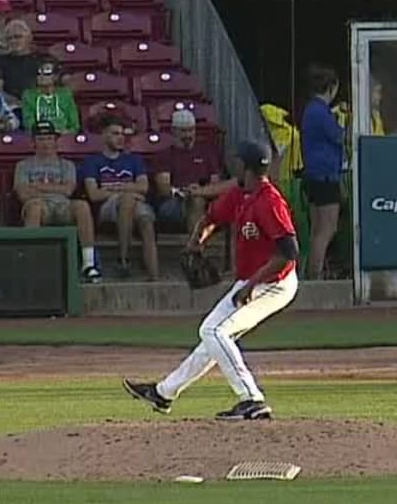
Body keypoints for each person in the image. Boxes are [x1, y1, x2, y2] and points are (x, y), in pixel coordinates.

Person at [123, 140, 300, 421]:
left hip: (275, 284)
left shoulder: (270, 201)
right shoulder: (239, 194)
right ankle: (164, 393)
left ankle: (251, 398)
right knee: (211, 339)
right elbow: (210, 219)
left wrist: (251, 286)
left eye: (238, 162)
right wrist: (196, 243)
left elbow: (289, 253)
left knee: (215, 332)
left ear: (247, 167)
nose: (234, 166)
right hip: (250, 281)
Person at [15, 121, 100, 281]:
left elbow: (68, 190)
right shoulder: (23, 166)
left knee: (82, 206)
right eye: (41, 139)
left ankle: (89, 263)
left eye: (49, 138)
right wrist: (56, 187)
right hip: (39, 205)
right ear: (33, 142)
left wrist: (37, 186)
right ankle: (32, 262)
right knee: (34, 207)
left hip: (63, 206)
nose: (46, 143)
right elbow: (23, 193)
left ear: (55, 141)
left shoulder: (67, 165)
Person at [80, 115, 160, 280]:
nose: (121, 138)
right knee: (128, 200)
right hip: (106, 208)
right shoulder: (92, 161)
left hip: (133, 203)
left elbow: (144, 187)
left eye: (123, 134)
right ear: (104, 136)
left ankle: (154, 275)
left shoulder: (134, 160)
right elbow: (94, 194)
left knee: (146, 221)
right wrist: (128, 190)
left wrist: (113, 187)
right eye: (115, 134)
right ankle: (124, 258)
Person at [298, 66, 344, 280]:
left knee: (317, 230)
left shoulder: (310, 110)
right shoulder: (321, 113)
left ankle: (312, 273)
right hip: (325, 176)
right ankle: (314, 277)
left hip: (313, 176)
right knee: (327, 229)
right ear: (331, 88)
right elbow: (339, 136)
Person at [152, 109, 227, 233]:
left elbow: (215, 182)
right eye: (183, 131)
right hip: (175, 200)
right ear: (173, 131)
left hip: (204, 196)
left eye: (191, 130)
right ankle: (196, 246)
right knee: (195, 201)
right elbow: (163, 187)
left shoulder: (207, 152)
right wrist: (183, 191)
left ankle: (194, 246)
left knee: (199, 200)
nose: (188, 135)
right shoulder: (165, 155)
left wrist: (199, 190)